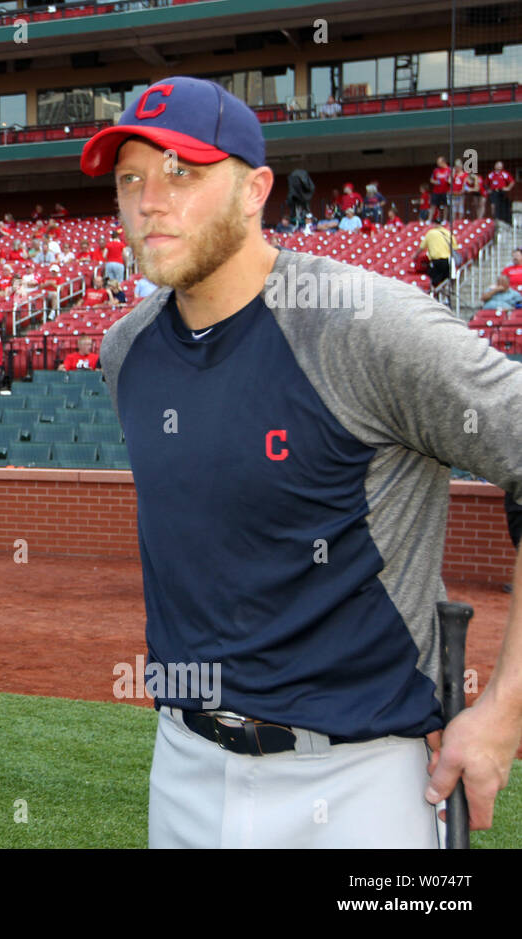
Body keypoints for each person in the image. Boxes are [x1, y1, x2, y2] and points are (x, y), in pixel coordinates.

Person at [79, 75, 522, 848]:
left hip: (360, 780)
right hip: (183, 763)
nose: (150, 200)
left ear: (255, 190)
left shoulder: (365, 325)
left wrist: (504, 713)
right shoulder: (128, 351)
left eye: (182, 172)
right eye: (130, 179)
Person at [418, 222, 459, 293]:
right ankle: (444, 295)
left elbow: (422, 247)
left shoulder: (430, 233)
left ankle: (436, 294)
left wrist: (414, 256)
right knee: (446, 279)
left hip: (436, 260)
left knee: (434, 280)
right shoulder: (448, 233)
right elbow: (455, 247)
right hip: (447, 260)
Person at [430, 156, 452, 223]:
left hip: (445, 191)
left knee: (445, 205)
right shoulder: (436, 170)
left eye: (439, 162)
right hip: (436, 191)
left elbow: (451, 180)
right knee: (433, 205)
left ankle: (444, 219)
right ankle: (429, 219)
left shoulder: (449, 170)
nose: (438, 164)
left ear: (443, 162)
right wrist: (435, 182)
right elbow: (431, 180)